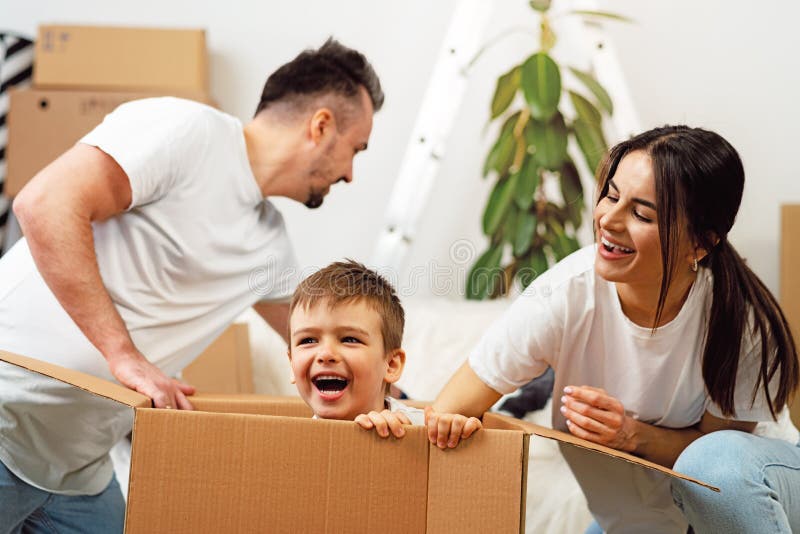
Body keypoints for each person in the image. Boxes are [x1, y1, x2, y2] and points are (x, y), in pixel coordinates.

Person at [0, 38, 382, 533]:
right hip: (9, 416)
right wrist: (124, 355)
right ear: (321, 125)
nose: (350, 174)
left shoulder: (269, 245)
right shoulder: (190, 131)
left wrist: (409, 407)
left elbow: (331, 343)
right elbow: (44, 204)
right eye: (355, 150)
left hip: (76, 467)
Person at [426, 125, 800, 533]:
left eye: (642, 214)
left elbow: (711, 481)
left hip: (760, 496)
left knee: (712, 463)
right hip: (641, 524)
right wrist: (435, 424)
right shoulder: (563, 295)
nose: (609, 220)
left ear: (701, 243)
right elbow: (451, 407)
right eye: (611, 195)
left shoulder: (740, 322)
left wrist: (630, 435)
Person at [287, 259, 482, 440]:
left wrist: (454, 433)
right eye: (308, 340)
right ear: (291, 364)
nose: (325, 354)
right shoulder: (293, 442)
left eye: (350, 339)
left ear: (391, 365)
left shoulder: (423, 429)